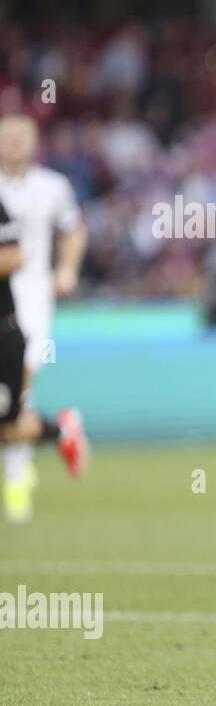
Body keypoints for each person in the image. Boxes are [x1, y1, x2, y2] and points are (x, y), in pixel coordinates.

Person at [0, 114, 90, 522]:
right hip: (3, 297)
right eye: (8, 135)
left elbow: (74, 230)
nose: (15, 142)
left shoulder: (52, 186)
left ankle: (17, 481)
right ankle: (59, 431)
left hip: (32, 299)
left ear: (35, 141)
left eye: (23, 135)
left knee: (19, 391)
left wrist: (67, 269)